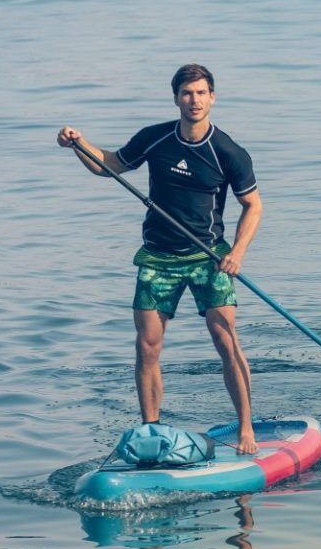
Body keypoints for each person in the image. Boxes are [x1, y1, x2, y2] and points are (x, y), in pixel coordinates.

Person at [57, 63, 263, 454]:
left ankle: (247, 429)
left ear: (212, 97)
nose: (194, 100)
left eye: (201, 93)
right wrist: (79, 144)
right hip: (157, 257)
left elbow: (252, 205)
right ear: (176, 99)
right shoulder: (155, 138)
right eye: (187, 93)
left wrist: (237, 253)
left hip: (208, 256)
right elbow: (111, 165)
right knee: (147, 346)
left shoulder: (228, 151)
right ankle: (150, 432)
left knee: (225, 339)